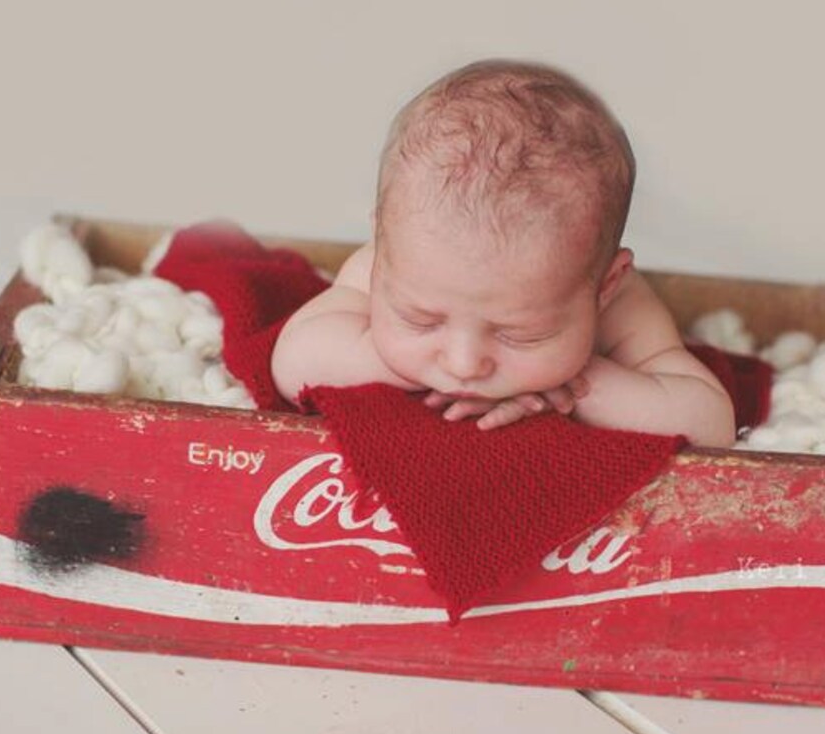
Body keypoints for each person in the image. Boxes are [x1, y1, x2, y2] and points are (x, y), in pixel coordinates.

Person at [270, 58, 736, 448]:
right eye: (421, 321)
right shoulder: (387, 265)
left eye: (521, 336)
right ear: (381, 247)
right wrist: (399, 366)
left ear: (605, 286)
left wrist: (579, 389)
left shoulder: (624, 306)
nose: (463, 364)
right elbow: (294, 362)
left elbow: (711, 423)